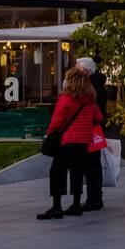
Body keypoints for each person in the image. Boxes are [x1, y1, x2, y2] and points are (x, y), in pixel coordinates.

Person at [38, 67, 103, 220]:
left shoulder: (66, 98)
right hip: (84, 142)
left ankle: (56, 206)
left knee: (57, 172)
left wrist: (49, 133)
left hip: (67, 141)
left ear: (70, 81)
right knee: (77, 172)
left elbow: (57, 120)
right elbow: (99, 118)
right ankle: (75, 205)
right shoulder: (90, 99)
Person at [75, 56, 108, 211]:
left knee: (91, 166)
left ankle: (93, 199)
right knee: (93, 165)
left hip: (91, 130)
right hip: (96, 129)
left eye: (78, 68)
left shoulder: (91, 88)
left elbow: (95, 112)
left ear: (86, 71)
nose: (75, 71)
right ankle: (95, 197)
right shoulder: (98, 85)